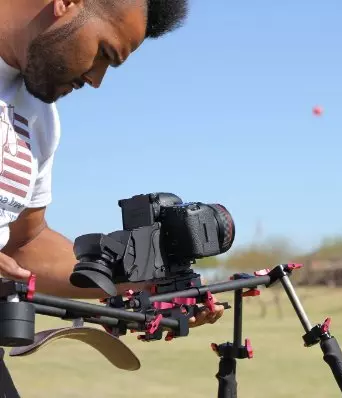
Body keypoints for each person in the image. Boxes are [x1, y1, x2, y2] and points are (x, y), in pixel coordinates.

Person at [0, 1, 224, 396]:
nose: (97, 79)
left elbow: (24, 244)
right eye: (104, 53)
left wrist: (138, 285)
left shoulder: (39, 118)